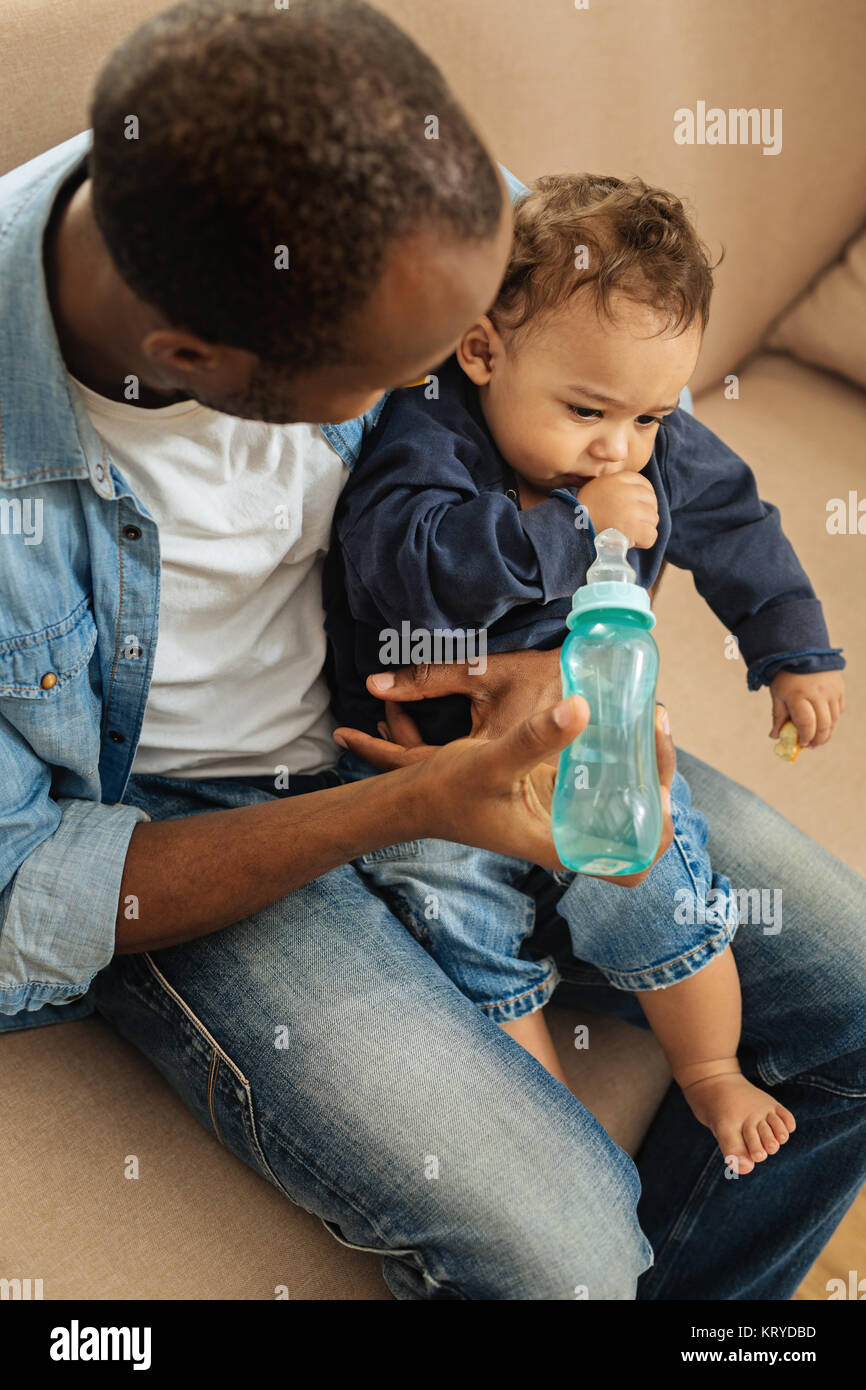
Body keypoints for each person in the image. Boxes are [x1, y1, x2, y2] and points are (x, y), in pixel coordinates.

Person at [0, 0, 863, 1300]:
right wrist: (410, 804)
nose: (456, 369)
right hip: (195, 832)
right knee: (565, 1254)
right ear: (191, 359)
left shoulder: (425, 228)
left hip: (478, 711)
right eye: (411, 374)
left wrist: (554, 636)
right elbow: (26, 893)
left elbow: (632, 426)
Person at [324, 172, 846, 1173]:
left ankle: (710, 1072)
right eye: (586, 409)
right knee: (458, 929)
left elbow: (736, 524)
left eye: (648, 419)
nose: (619, 448)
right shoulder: (429, 429)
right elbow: (405, 571)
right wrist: (571, 526)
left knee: (656, 872)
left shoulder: (650, 445)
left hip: (592, 745)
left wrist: (791, 648)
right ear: (482, 350)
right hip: (428, 779)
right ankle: (545, 1123)